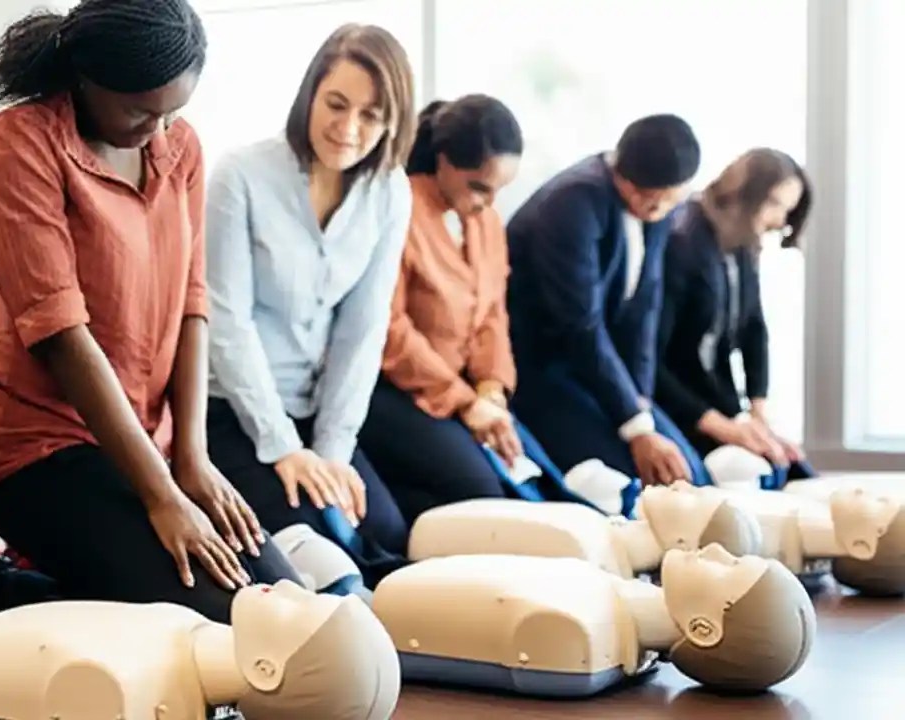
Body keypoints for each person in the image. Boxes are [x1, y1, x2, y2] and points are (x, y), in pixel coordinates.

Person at [0, 0, 300, 627]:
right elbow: (61, 334)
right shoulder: (21, 143)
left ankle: (44, 576)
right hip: (39, 454)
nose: (157, 128)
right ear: (87, 78)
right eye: (141, 111)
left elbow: (193, 301)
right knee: (228, 622)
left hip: (153, 449)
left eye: (171, 112)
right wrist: (162, 496)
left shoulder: (180, 147)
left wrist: (191, 460)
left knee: (291, 605)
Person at [203, 24, 416, 588]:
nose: (348, 129)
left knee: (386, 530)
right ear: (310, 95)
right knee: (323, 547)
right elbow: (227, 323)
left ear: (392, 124)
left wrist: (332, 451)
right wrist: (282, 447)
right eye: (336, 105)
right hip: (231, 409)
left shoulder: (390, 191)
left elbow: (362, 329)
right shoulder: (240, 174)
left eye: (370, 116)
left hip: (313, 411)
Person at [357, 95, 589, 524]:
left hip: (467, 390)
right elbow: (390, 330)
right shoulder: (398, 208)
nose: (489, 202)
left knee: (541, 484)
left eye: (499, 190)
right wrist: (465, 402)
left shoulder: (486, 223)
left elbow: (492, 316)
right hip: (394, 389)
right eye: (479, 187)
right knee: (486, 494)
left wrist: (491, 391)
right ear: (444, 161)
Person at [505, 114, 712, 489]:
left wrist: (639, 403)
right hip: (543, 369)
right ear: (623, 175)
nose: (657, 211)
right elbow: (580, 326)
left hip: (600, 371)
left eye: (670, 201)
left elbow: (645, 311)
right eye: (650, 199)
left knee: (689, 474)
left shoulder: (659, 209)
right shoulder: (573, 202)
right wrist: (635, 427)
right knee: (632, 479)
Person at [656, 148, 815, 485]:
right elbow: (651, 362)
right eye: (775, 205)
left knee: (793, 468)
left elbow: (753, 328)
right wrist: (725, 428)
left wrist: (759, 418)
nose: (779, 221)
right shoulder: (682, 240)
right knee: (749, 472)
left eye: (786, 211)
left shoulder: (741, 243)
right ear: (743, 194)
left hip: (717, 406)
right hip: (677, 408)